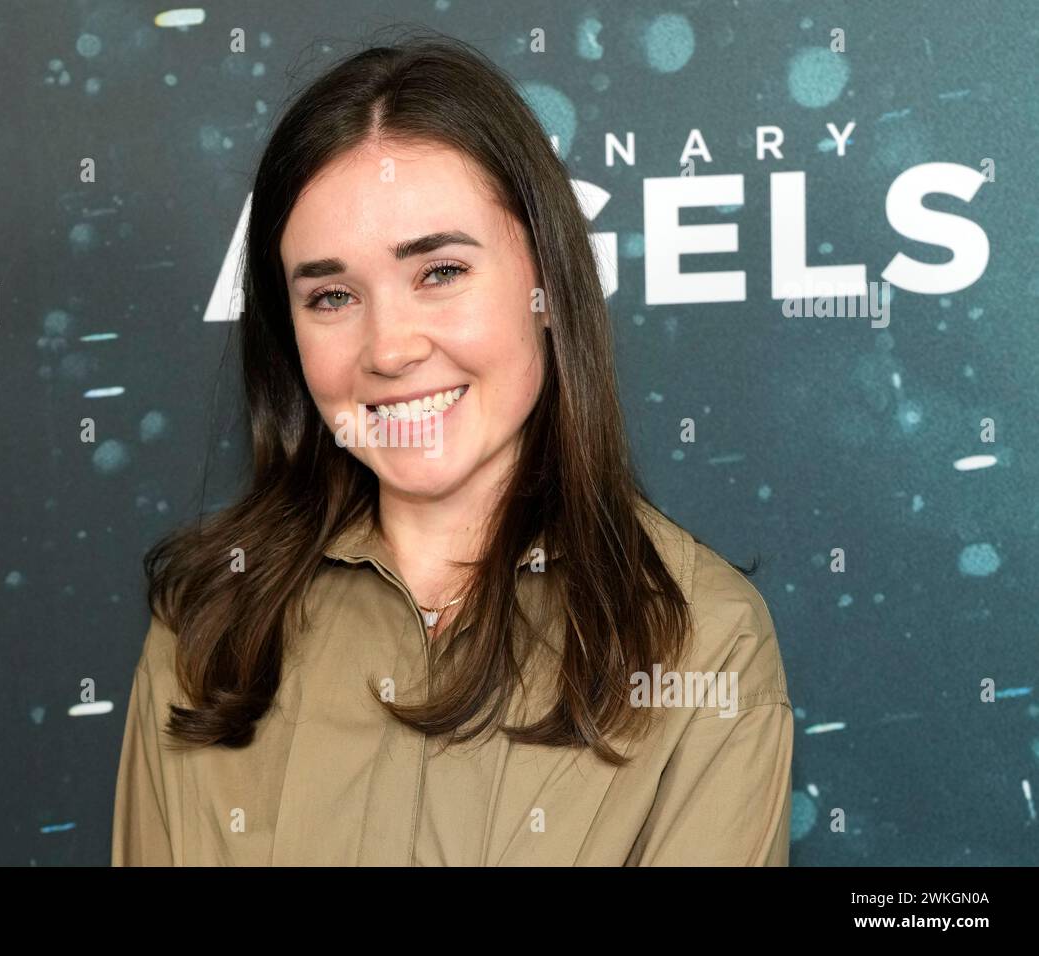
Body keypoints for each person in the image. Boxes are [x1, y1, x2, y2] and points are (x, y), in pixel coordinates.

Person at [112, 31, 792, 866]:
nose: (389, 348)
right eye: (331, 295)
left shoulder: (699, 640)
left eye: (439, 272)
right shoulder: (209, 624)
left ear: (547, 280)